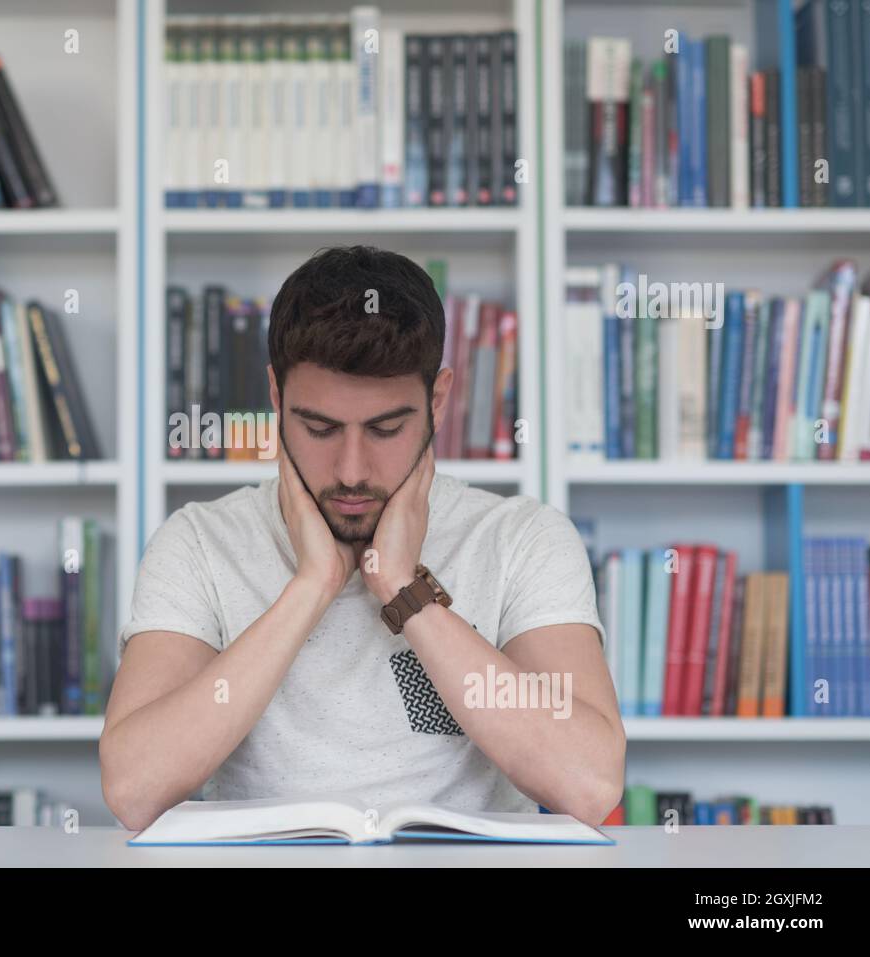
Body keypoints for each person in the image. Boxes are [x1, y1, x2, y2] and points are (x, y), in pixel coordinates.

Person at [101, 245, 624, 831]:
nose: (351, 470)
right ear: (276, 400)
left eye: (386, 428)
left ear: (438, 401)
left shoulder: (522, 538)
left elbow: (590, 783)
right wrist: (312, 585)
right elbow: (133, 789)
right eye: (319, 428)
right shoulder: (198, 542)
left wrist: (403, 589)